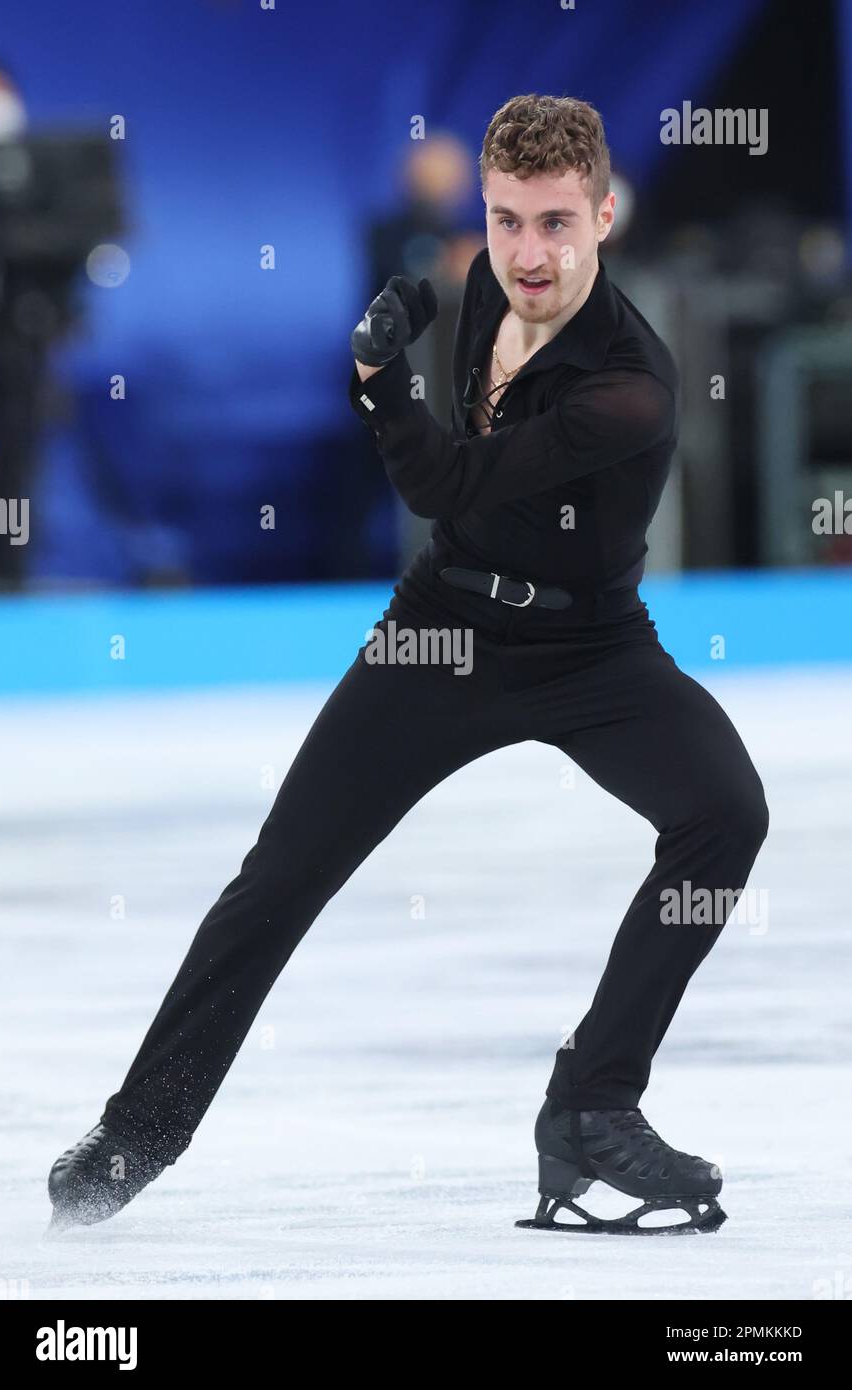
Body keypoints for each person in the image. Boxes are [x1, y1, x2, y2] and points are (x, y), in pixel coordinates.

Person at [48, 94, 768, 1236]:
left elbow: (443, 485)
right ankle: (138, 1129)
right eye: (504, 221)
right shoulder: (488, 281)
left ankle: (591, 1104)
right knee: (279, 875)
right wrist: (397, 345)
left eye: (553, 224)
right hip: (442, 633)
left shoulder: (628, 388)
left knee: (726, 813)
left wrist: (378, 379)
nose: (526, 255)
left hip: (589, 645)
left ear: (604, 214)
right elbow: (448, 489)